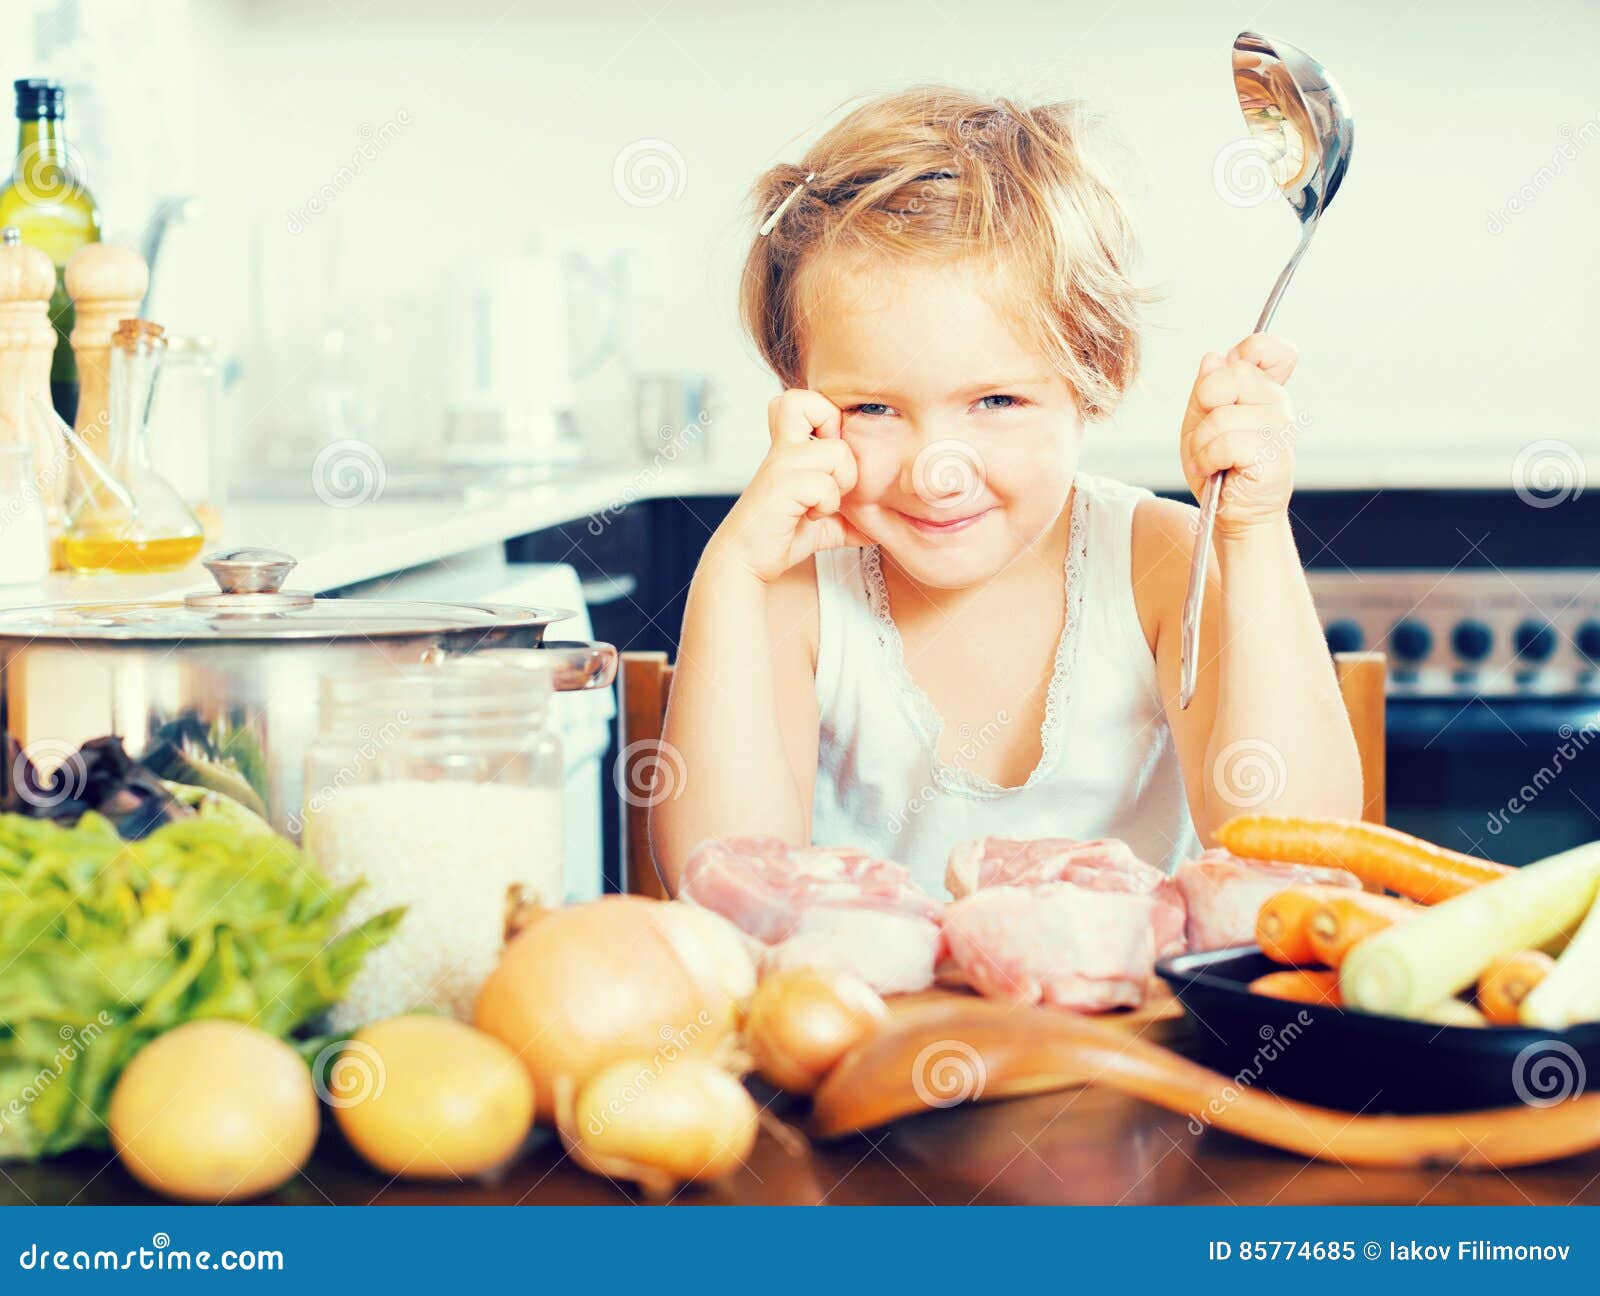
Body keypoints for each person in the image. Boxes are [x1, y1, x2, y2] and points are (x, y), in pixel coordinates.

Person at [654, 85, 1361, 896]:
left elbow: (1296, 865)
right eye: (873, 409)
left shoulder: (1159, 564)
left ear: (1094, 377)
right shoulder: (795, 593)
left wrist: (1253, 533)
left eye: (995, 401)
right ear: (800, 398)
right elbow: (722, 886)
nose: (938, 472)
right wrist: (731, 574)